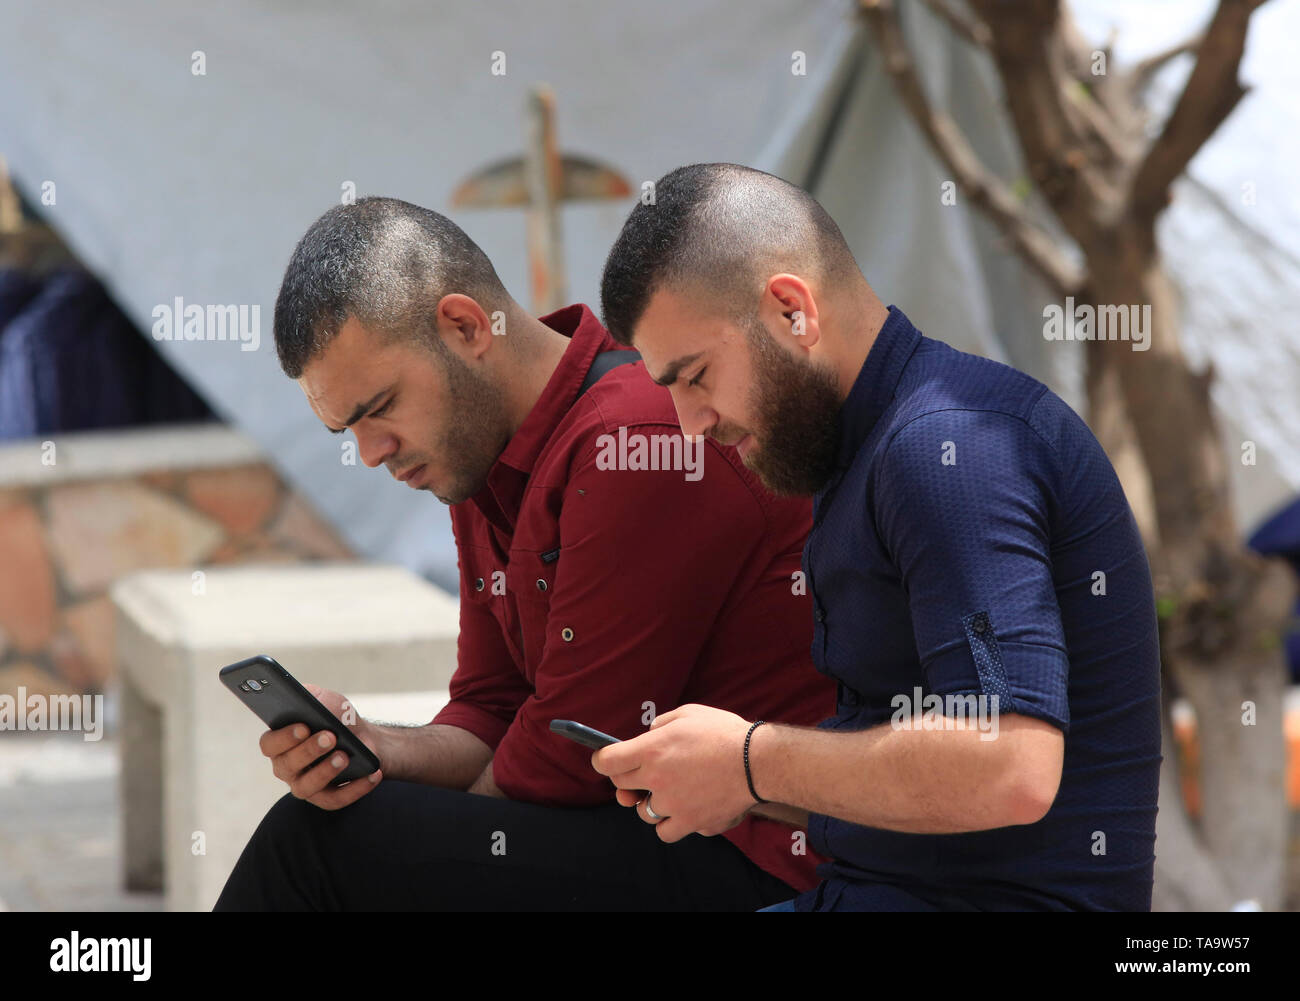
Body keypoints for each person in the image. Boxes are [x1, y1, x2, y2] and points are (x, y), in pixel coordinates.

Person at [213, 196, 835, 911]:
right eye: (346, 431)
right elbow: (491, 707)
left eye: (379, 407)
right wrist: (375, 748)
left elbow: (564, 761)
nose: (372, 452)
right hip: (650, 832)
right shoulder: (478, 460)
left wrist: (416, 839)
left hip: (765, 857)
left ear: (465, 326)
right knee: (347, 826)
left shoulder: (636, 440)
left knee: (323, 846)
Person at [591, 163, 1162, 911]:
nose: (690, 425)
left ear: (792, 311)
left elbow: (1009, 763)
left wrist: (751, 761)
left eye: (695, 376)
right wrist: (728, 780)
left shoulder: (943, 452)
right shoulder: (868, 446)